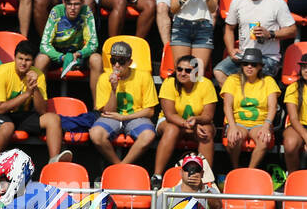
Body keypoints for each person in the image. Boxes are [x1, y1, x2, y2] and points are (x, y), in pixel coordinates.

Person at [0, 38, 71, 161]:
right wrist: (26, 94)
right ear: (14, 58)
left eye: (27, 60)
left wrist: (35, 88)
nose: (23, 63)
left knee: (53, 119)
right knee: (7, 126)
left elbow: (42, 110)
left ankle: (54, 162)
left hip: (20, 115)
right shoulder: (0, 72)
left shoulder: (38, 75)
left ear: (33, 61)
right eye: (20, 59)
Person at [214, 0, 296, 86]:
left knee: (250, 78)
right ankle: (240, 101)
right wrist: (231, 50)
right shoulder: (238, 2)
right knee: (219, 72)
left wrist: (270, 34)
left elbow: (292, 30)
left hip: (267, 57)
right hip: (245, 55)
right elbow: (229, 29)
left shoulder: (277, 3)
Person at [89, 39, 158, 166]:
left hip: (135, 116)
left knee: (148, 135)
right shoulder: (105, 78)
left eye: (121, 61)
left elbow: (149, 111)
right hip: (112, 116)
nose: (116, 65)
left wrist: (124, 117)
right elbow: (107, 111)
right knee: (95, 134)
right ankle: (117, 165)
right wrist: (113, 89)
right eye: (113, 60)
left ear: (129, 62)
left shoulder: (144, 76)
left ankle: (123, 166)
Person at [153, 52, 217, 180]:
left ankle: (206, 179)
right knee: (172, 129)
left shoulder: (206, 84)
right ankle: (157, 176)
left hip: (198, 123)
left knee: (206, 131)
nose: (182, 73)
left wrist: (196, 122)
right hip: (171, 122)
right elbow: (170, 115)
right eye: (179, 69)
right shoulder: (169, 83)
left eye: (188, 70)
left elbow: (208, 116)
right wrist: (189, 125)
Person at [34, 0, 103, 92]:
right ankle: (38, 105)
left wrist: (79, 54)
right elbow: (44, 45)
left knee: (97, 59)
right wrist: (62, 57)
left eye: (76, 4)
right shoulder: (56, 12)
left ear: (82, 3)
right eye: (69, 4)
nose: (72, 8)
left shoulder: (87, 12)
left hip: (79, 55)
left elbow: (93, 44)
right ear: (63, 2)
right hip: (58, 54)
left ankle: (98, 107)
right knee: (41, 59)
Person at [220, 47, 281, 170]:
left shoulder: (268, 81)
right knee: (233, 139)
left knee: (263, 141)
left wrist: (266, 126)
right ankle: (235, 169)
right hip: (238, 123)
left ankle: (250, 171)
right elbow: (227, 106)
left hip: (259, 123)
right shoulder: (233, 80)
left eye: (253, 64)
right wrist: (232, 126)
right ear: (241, 65)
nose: (249, 67)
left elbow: (273, 107)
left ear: (260, 67)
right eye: (245, 63)